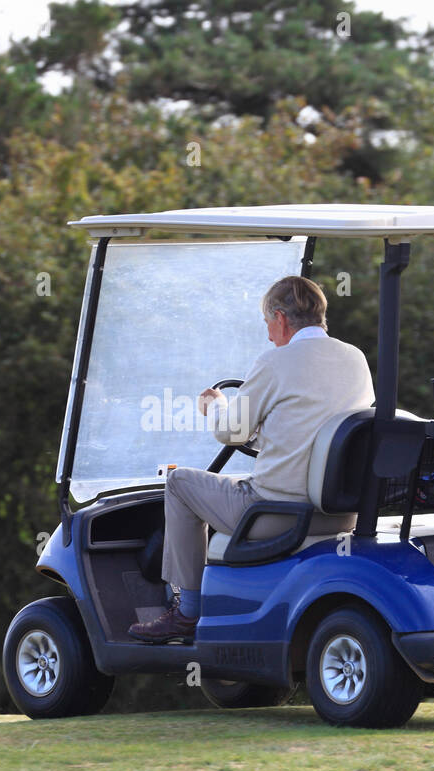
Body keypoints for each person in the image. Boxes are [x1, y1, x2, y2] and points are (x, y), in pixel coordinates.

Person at [128, 275, 375, 643]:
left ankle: (187, 611)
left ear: (280, 318)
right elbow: (312, 429)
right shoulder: (355, 359)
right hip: (338, 515)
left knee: (179, 483)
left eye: (267, 326)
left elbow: (230, 431)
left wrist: (215, 406)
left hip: (275, 516)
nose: (268, 336)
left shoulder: (276, 361)